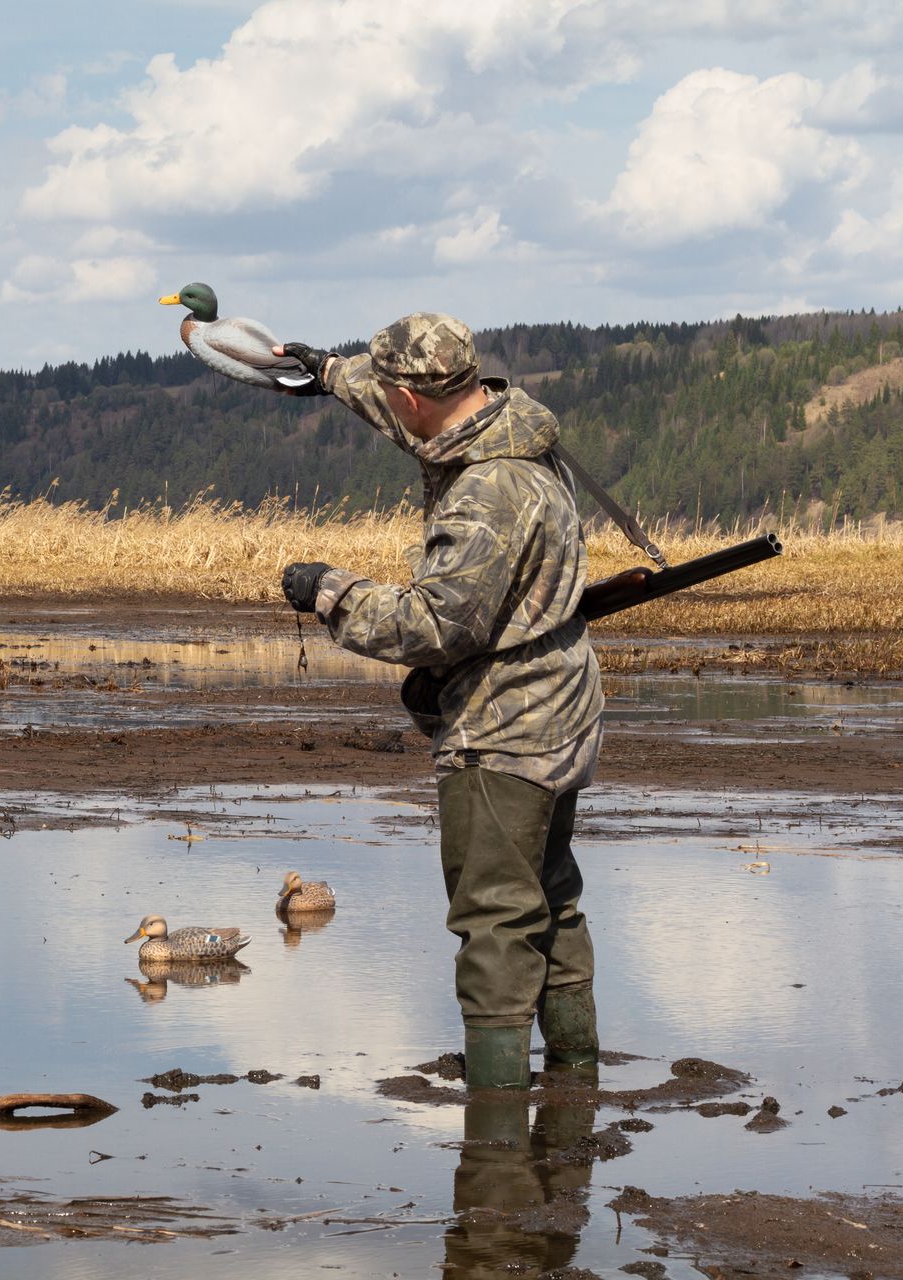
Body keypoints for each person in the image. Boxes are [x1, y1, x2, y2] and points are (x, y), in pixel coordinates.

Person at [272, 314, 602, 1090]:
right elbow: (392, 403)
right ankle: (575, 1088)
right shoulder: (503, 423)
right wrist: (326, 372)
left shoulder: (486, 493)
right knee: (552, 899)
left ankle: (493, 1145)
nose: (387, 407)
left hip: (505, 729)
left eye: (391, 396)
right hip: (561, 710)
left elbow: (438, 625)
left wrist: (331, 592)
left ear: (416, 398)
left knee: (494, 921)